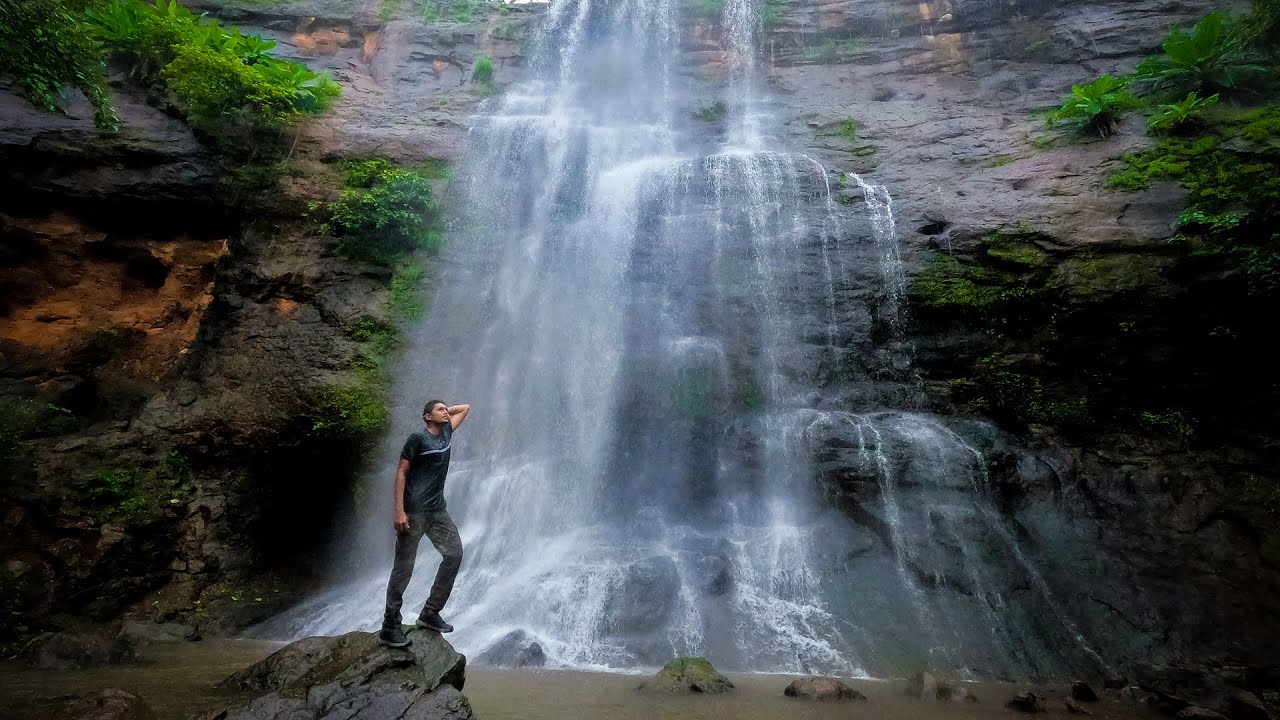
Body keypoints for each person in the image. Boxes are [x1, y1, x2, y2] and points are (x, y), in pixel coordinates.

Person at [379, 399, 470, 648]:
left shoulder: (447, 433)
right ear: (426, 417)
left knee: (454, 555)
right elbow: (401, 472)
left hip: (438, 510)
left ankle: (430, 613)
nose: (445, 411)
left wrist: (442, 413)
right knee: (403, 568)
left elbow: (465, 408)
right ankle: (390, 625)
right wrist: (399, 511)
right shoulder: (417, 439)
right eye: (439, 409)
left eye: (445, 409)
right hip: (414, 512)